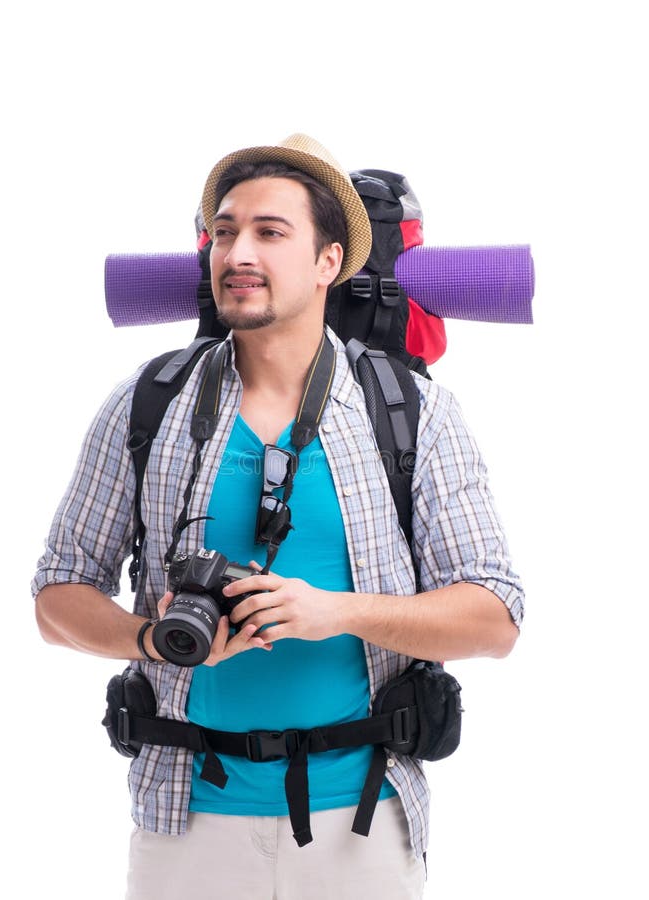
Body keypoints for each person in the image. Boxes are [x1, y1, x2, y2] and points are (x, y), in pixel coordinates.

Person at [32, 133, 524, 900]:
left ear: (329, 261)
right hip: (182, 821)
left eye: (269, 232)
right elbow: (57, 596)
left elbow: (494, 618)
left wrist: (336, 612)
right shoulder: (146, 404)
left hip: (362, 823)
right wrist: (151, 640)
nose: (237, 253)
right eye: (224, 232)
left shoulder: (411, 412)